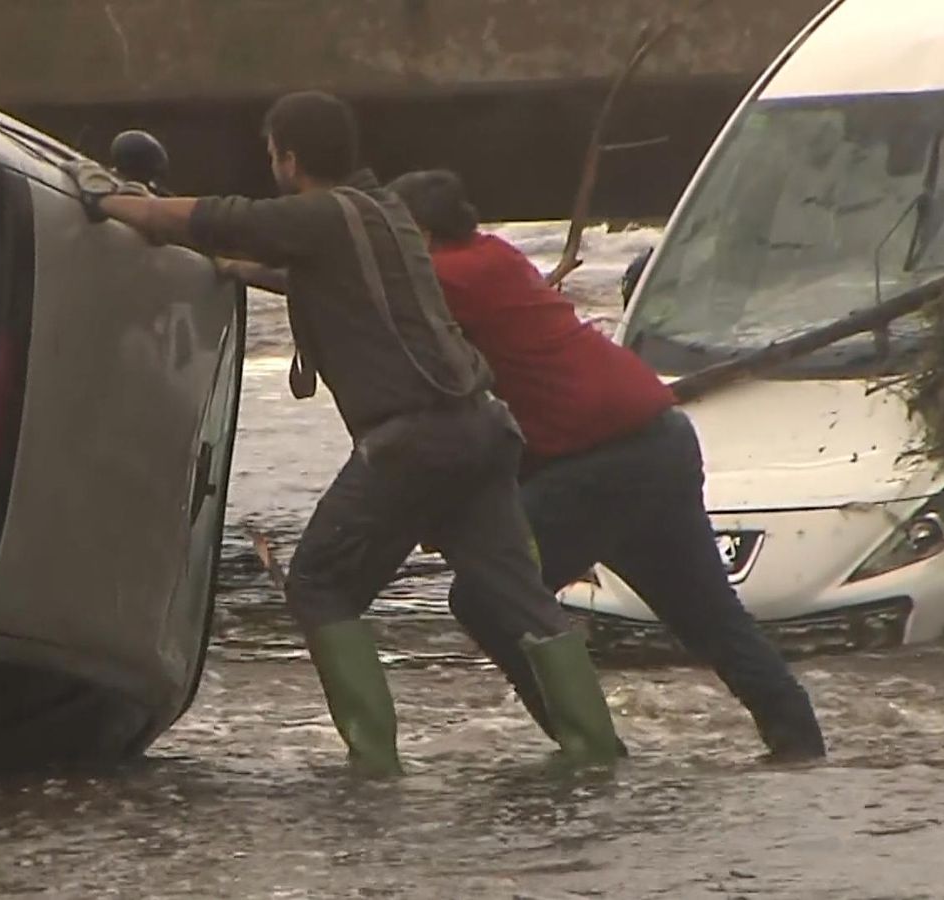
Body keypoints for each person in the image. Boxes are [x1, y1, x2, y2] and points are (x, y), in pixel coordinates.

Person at [59, 92, 624, 775]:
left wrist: (107, 199)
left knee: (319, 584)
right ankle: (596, 752)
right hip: (482, 429)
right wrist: (242, 270)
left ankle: (375, 767)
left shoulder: (318, 215)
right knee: (521, 599)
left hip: (411, 443)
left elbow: (208, 218)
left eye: (273, 153)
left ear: (291, 159)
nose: (272, 164)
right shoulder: (384, 212)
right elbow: (332, 280)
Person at [385, 169, 827, 761]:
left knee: (487, 597)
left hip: (605, 461)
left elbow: (367, 298)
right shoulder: (497, 256)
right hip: (660, 439)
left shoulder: (445, 278)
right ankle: (800, 747)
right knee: (712, 620)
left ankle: (589, 743)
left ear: (418, 234)